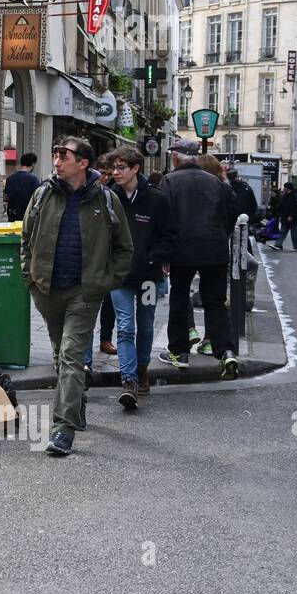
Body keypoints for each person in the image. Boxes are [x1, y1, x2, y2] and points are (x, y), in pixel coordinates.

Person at [21, 136, 133, 456]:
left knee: (71, 354)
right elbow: (25, 238)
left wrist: (105, 281)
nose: (56, 161)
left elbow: (125, 247)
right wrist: (29, 276)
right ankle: (76, 404)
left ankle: (63, 428)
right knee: (60, 355)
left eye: (63, 156)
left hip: (85, 292)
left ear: (83, 163)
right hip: (46, 289)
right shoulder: (43, 194)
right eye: (55, 155)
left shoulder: (106, 200)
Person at [159, 139, 241, 379]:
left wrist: (164, 253)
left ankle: (179, 352)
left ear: (176, 158)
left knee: (180, 297)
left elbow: (164, 219)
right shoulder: (216, 181)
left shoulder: (170, 181)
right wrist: (219, 235)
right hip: (214, 250)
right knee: (215, 302)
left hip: (182, 250)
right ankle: (226, 351)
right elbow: (232, 212)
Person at [106, 147, 177, 407]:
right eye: (114, 168)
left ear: (136, 168)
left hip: (148, 276)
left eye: (121, 168)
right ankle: (129, 381)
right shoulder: (108, 197)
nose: (116, 173)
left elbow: (169, 236)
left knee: (146, 326)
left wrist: (152, 258)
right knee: (125, 327)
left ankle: (143, 368)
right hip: (119, 276)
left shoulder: (157, 200)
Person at [3, 152, 40, 222]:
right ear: (33, 164)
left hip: (12, 214)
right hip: (27, 216)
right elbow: (38, 198)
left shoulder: (10, 178)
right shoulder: (33, 179)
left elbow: (6, 196)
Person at [274, 181, 297, 251]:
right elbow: (281, 205)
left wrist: (291, 216)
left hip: (293, 218)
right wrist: (279, 214)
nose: (284, 188)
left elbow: (295, 207)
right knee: (283, 231)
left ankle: (296, 247)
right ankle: (278, 245)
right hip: (284, 216)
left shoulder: (296, 195)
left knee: (293, 232)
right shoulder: (285, 195)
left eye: (285, 187)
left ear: (288, 188)